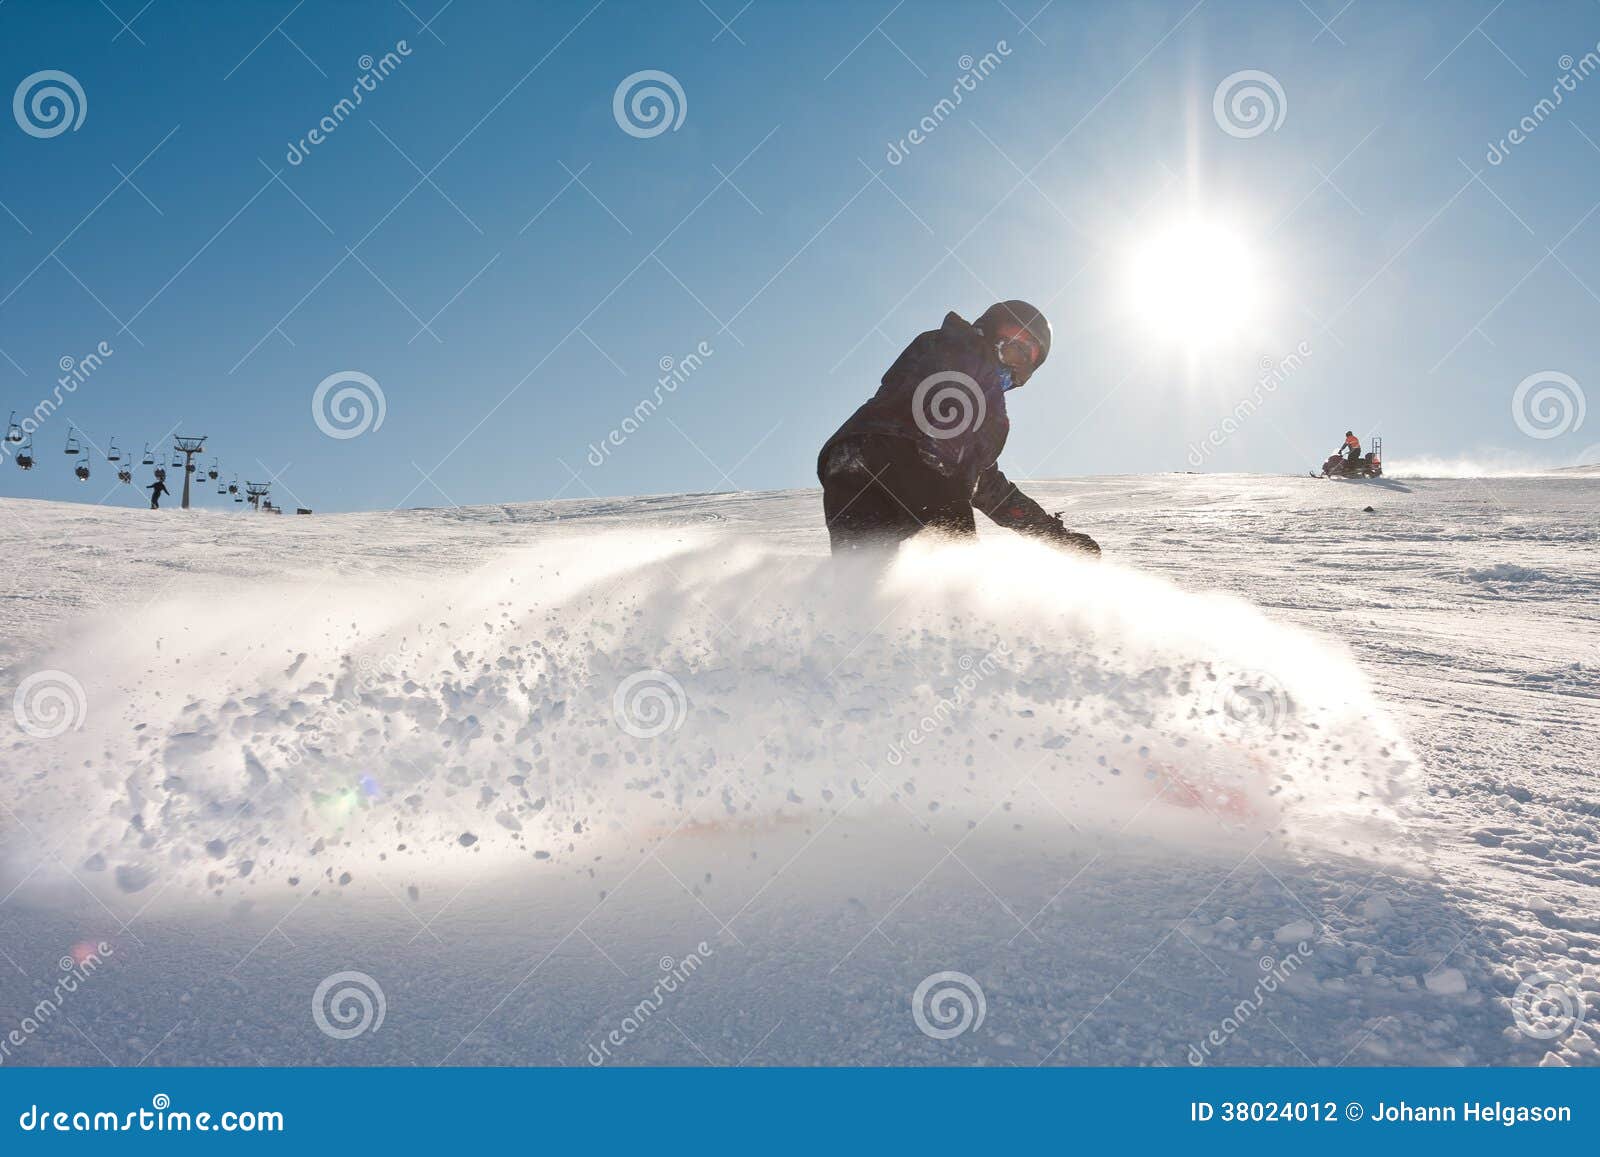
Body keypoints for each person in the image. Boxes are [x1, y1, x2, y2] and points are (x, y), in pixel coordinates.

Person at [817, 300, 1100, 556]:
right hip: (901, 454)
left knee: (863, 568)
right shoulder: (959, 351)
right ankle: (964, 606)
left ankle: (852, 604)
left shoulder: (978, 413)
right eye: (1010, 340)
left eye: (1023, 354)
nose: (1011, 354)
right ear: (986, 330)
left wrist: (1053, 534)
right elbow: (941, 367)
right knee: (958, 563)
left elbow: (992, 490)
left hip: (847, 465)